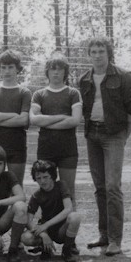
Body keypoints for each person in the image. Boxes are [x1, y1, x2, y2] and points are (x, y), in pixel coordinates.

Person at [78, 37, 131, 256]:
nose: (97, 55)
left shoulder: (123, 77)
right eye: (93, 51)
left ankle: (116, 240)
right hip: (92, 135)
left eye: (101, 51)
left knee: (113, 186)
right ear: (88, 55)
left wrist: (124, 135)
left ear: (109, 53)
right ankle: (103, 235)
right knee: (100, 187)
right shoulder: (84, 79)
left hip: (113, 135)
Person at [29, 55, 82, 200]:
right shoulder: (39, 94)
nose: (56, 72)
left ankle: (70, 222)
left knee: (68, 190)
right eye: (53, 69)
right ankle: (48, 222)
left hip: (68, 150)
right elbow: (34, 119)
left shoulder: (73, 93)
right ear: (47, 72)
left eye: (60, 69)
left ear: (65, 72)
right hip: (46, 149)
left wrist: (47, 122)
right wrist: (62, 117)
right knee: (46, 189)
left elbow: (75, 120)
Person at [0, 50, 32, 184]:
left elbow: (24, 120)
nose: (7, 71)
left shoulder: (24, 92)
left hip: (17, 145)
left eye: (10, 67)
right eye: (3, 67)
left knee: (16, 185)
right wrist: (12, 115)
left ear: (17, 69)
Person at [21, 160, 83, 262]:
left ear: (52, 176)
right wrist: (43, 234)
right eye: (38, 178)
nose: (42, 181)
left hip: (62, 229)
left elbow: (68, 209)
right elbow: (28, 220)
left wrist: (46, 224)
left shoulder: (61, 186)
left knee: (75, 217)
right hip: (47, 230)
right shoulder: (37, 195)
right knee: (26, 237)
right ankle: (45, 247)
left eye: (45, 177)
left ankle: (67, 250)